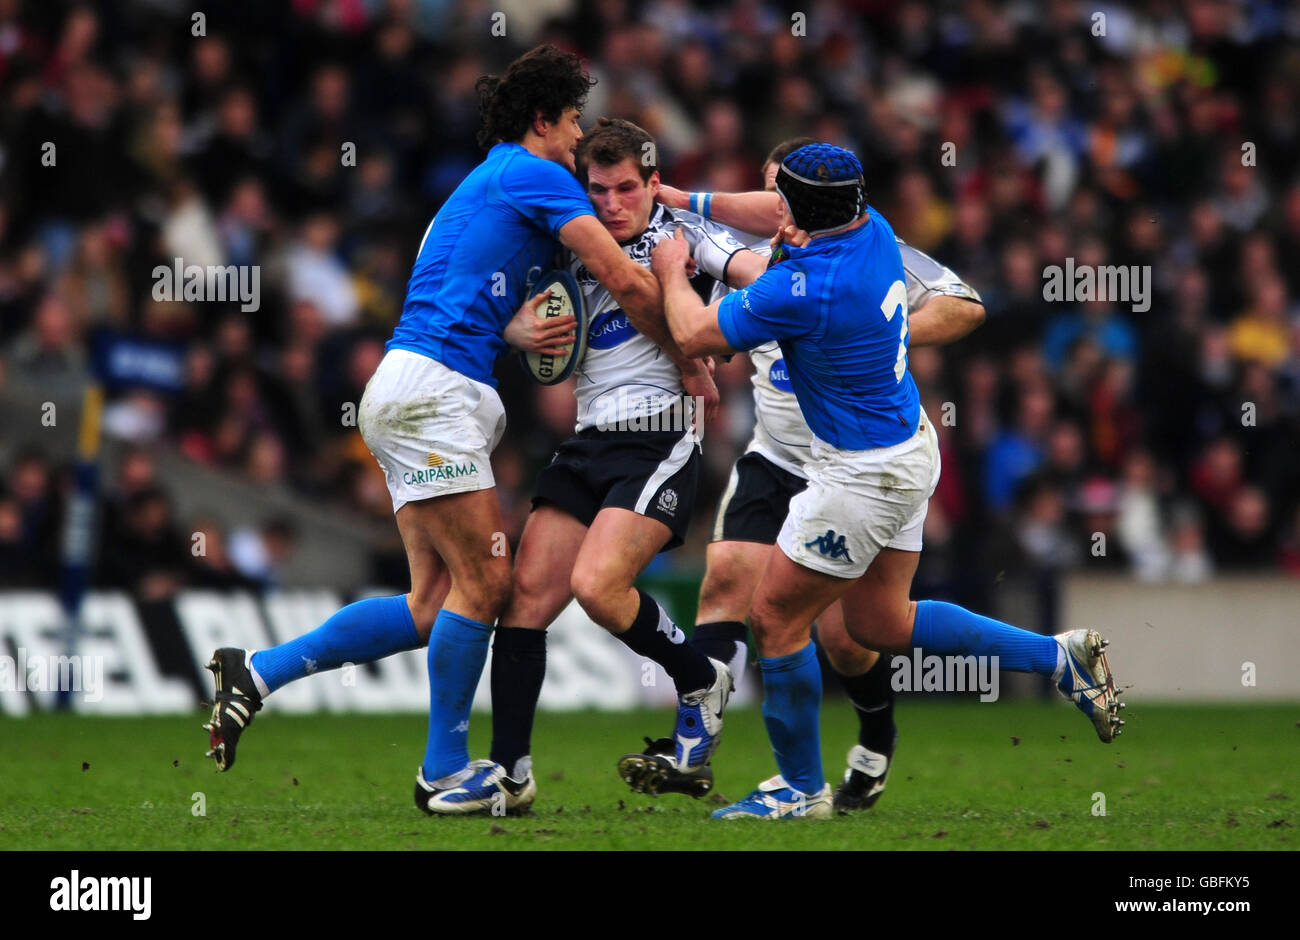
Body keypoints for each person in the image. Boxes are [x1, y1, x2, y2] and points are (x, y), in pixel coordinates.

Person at [200, 46, 668, 817]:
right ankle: (442, 772)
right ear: (542, 121)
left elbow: (457, 291)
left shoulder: (483, 183)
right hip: (436, 396)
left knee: (432, 602)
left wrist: (508, 330)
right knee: (487, 582)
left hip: (412, 385)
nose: (579, 137)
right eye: (572, 120)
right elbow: (619, 275)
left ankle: (257, 672)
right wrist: (696, 340)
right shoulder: (537, 173)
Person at [652, 143, 1124, 820]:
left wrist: (674, 267)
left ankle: (799, 789)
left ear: (798, 212)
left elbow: (695, 332)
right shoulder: (871, 229)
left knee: (776, 619)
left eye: (782, 200)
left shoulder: (803, 288)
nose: (774, 208)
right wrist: (688, 201)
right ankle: (1059, 657)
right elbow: (772, 216)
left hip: (860, 474)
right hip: (908, 446)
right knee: (880, 623)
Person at [617, 138, 987, 810]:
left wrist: (885, 331)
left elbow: (966, 304)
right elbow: (692, 299)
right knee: (725, 583)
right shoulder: (742, 246)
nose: (772, 208)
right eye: (765, 194)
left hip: (848, 462)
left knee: (848, 638)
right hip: (779, 453)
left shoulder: (844, 256)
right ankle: (692, 748)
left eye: (779, 196)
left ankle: (871, 742)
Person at [472, 116, 772, 814]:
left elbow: (755, 278)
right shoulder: (566, 236)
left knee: (598, 586)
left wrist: (725, 319)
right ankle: (511, 773)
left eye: (626, 188)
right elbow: (500, 307)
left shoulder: (682, 234)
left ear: (653, 182)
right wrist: (518, 330)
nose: (611, 204)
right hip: (586, 440)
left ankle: (700, 679)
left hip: (659, 437)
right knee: (524, 604)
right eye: (598, 190)